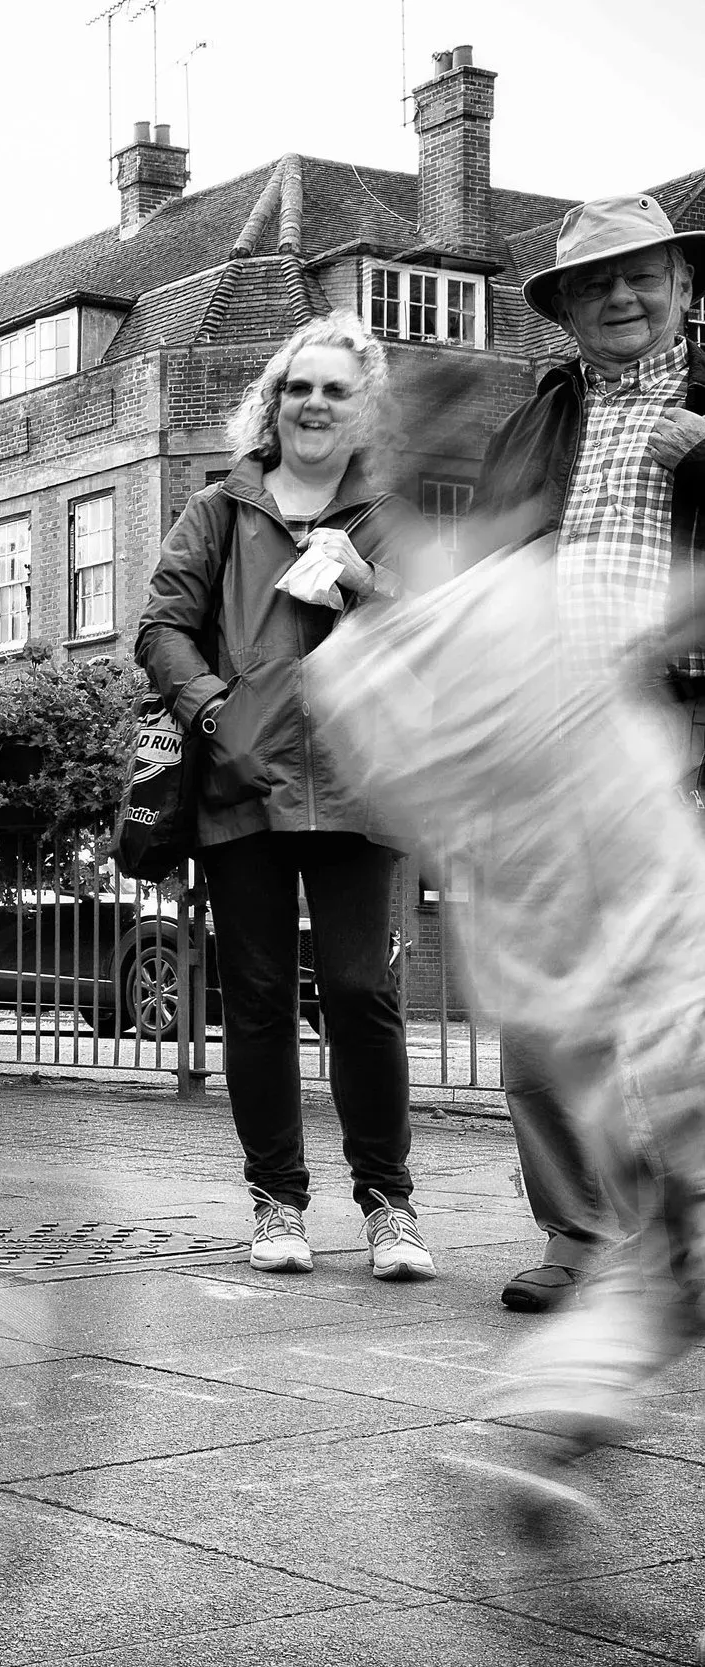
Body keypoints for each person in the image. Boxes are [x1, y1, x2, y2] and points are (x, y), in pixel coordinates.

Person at [136, 311, 435, 1282]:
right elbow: (161, 627)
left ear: (361, 412)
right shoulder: (218, 511)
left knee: (360, 992)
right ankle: (276, 1200)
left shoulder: (386, 517)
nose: (311, 403)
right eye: (295, 387)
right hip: (242, 790)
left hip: (359, 784)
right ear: (270, 403)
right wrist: (212, 707)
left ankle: (387, 1204)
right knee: (257, 1001)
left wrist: (367, 585)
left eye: (332, 390)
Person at [460, 193, 705, 1316]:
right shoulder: (537, 419)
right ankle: (574, 1227)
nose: (620, 296)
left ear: (683, 284)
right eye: (594, 283)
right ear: (562, 311)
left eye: (641, 273)